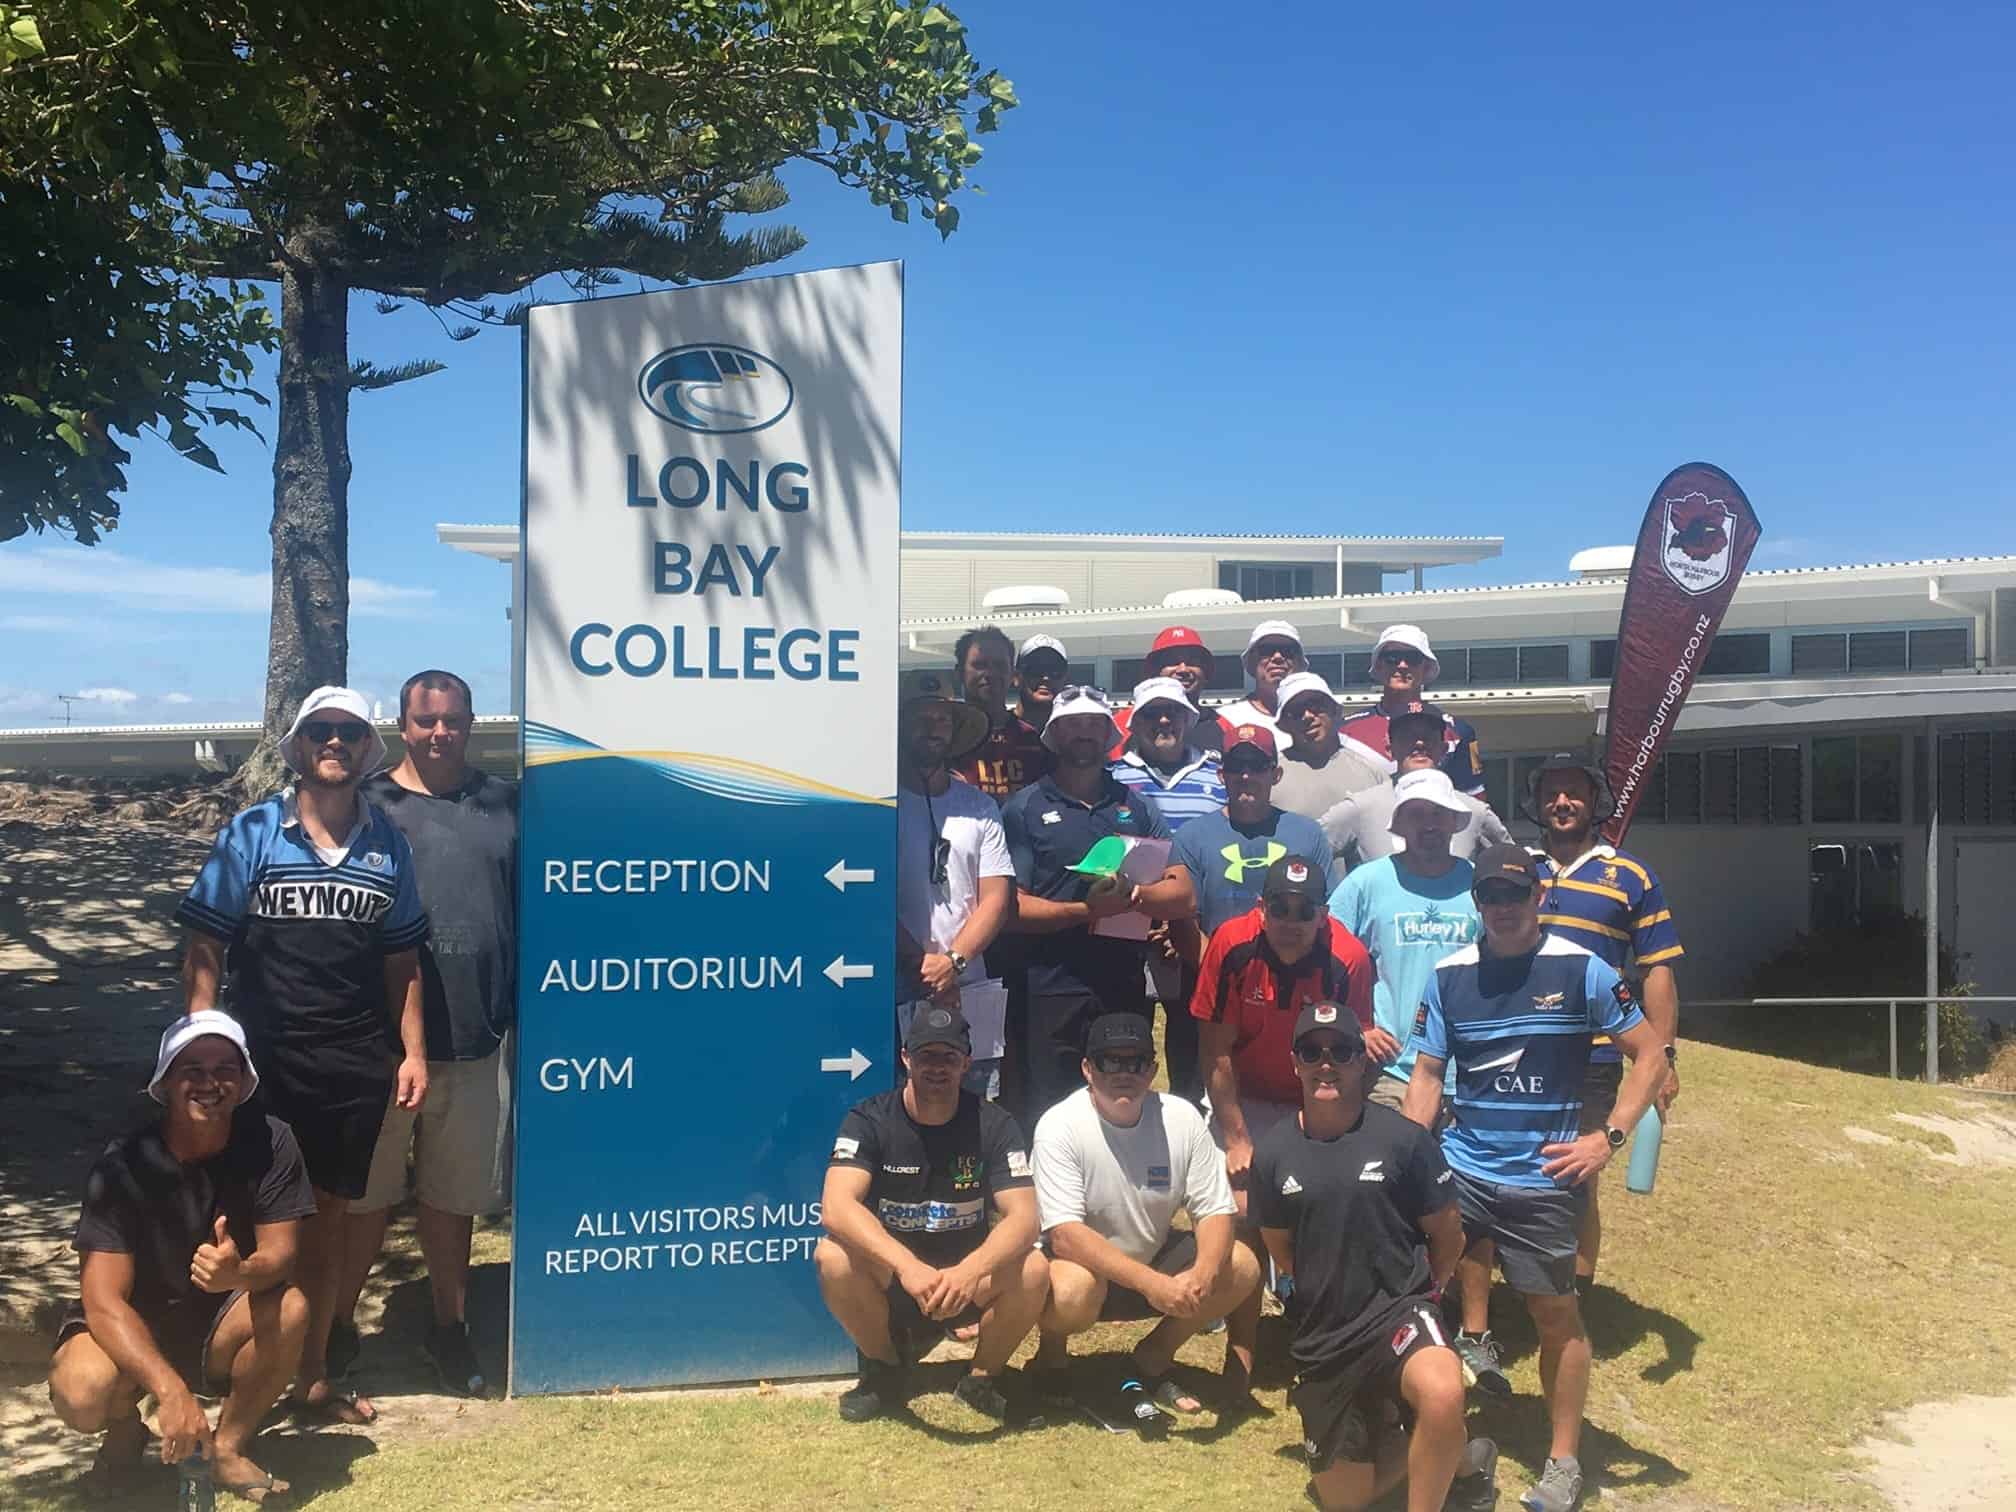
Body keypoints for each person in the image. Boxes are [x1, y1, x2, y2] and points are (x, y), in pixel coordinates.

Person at [176, 685, 428, 1426]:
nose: (335, 742)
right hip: (261, 1063)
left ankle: (311, 1376)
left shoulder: (389, 845)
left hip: (352, 1063)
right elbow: (205, 942)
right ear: (297, 745)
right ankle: (224, 1370)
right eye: (321, 730)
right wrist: (200, 1037)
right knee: (241, 1219)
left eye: (349, 732)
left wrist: (411, 1052)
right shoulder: (253, 833)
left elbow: (402, 960)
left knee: (327, 1223)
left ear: (365, 751)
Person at [1402, 845, 1669, 1512]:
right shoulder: (1448, 975)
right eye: (1490, 896)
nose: (1502, 908)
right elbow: (1429, 1074)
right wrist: (1410, 1159)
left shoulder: (1584, 969)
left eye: (1515, 895)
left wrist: (1607, 1139)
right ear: (1477, 902)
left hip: (1543, 1181)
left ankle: (1563, 1460)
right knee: (1410, 1301)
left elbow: (1651, 1053)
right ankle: (1422, 1425)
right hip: (1460, 1173)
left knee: (1557, 1318)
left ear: (1540, 898)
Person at [335, 670, 517, 1399]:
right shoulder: (367, 805)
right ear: (402, 726)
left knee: (452, 1199)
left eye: (453, 719)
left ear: (471, 722)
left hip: (477, 1039)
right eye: (425, 720)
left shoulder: (505, 803)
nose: (440, 732)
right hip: (380, 1049)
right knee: (365, 1200)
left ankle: (448, 1327)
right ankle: (336, 1331)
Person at [48, 1012, 314, 1504]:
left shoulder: (272, 1141)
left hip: (218, 1318)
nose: (210, 1082)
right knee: (82, 1392)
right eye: (191, 1068)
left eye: (225, 1068)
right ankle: (126, 1432)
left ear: (245, 1079)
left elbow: (283, 1254)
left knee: (291, 1307)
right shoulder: (122, 1164)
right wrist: (170, 1392)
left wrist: (241, 1272)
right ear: (166, 1082)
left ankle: (229, 1449)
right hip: (132, 1324)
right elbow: (103, 1300)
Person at [1252, 1003, 1499, 1512]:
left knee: (1443, 1392)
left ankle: (1440, 1469)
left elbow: (1447, 1234)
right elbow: (1281, 1248)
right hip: (1326, 1335)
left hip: (1398, 1311)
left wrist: (1428, 1290)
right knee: (1348, 1503)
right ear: (1294, 1062)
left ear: (1362, 1061)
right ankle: (1454, 1454)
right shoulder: (1273, 1152)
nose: (1327, 1063)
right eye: (1312, 1052)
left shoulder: (1404, 1139)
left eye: (1341, 1051)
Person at [1030, 1014, 1264, 1434]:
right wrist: (1152, 1285)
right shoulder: (1058, 1125)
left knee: (1242, 1264)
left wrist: (1203, 1275)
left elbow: (1214, 1209)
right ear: (1087, 1068)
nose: (1123, 1073)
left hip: (1153, 1256)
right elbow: (1064, 1235)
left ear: (1153, 1070)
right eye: (1109, 1062)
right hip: (1082, 1268)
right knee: (1070, 1290)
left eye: (1135, 1062)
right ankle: (1050, 1358)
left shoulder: (1182, 1118)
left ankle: (1148, 1362)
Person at [816, 1006, 1050, 1425]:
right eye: (926, 1056)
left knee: (1033, 1267)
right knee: (831, 1257)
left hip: (967, 1280)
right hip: (896, 1277)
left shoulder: (995, 1124)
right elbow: (836, 1207)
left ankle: (982, 1379)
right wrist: (908, 1268)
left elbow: (1025, 1218)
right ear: (906, 1058)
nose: (936, 1067)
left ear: (967, 1062)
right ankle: (884, 1371)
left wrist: (967, 1273)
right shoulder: (868, 1118)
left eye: (948, 1056)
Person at [1000, 686, 1195, 1126]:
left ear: (1109, 734)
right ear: (1054, 734)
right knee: (1048, 1112)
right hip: (1049, 989)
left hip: (1123, 986)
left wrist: (1134, 896)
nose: (1084, 733)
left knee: (1123, 1106)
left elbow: (1183, 893)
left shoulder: (1137, 805)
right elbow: (1010, 909)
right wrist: (1089, 912)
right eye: (1073, 724)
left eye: (1094, 724)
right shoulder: (1024, 808)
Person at [1525, 752, 1683, 1291]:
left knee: (1577, 1177)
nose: (1562, 802)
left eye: (1574, 792)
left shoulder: (1630, 874)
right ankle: (1520, 1287)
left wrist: (1664, 1058)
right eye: (1552, 792)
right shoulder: (1517, 868)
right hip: (1517, 1048)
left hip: (1592, 1053)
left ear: (1595, 802)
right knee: (1514, 1171)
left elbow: (1657, 968)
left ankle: (1576, 1296)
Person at [1192, 856, 1373, 1208]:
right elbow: (1215, 1051)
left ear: (1323, 915)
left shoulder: (1349, 959)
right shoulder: (1230, 944)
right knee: (1238, 1206)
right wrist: (1237, 1139)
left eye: (1305, 911)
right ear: (1261, 909)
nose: (1291, 922)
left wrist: (1327, 1132)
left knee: (1323, 1197)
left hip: (1315, 1098)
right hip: (1243, 1098)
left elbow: (1350, 1063)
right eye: (1279, 908)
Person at [1328, 771, 1482, 1114]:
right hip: (1389, 1071)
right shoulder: (1365, 883)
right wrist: (1356, 1026)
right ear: (1400, 823)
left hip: (1468, 1071)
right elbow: (1326, 960)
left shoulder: (1479, 882)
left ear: (1454, 821)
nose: (1429, 825)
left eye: (1438, 813)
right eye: (1417, 814)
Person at [891, 668, 1014, 1098]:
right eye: (922, 716)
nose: (934, 727)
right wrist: (921, 963)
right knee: (900, 1111)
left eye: (943, 718)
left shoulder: (979, 806)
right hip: (898, 984)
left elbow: (996, 898)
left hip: (968, 987)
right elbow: (868, 895)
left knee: (971, 1115)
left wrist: (954, 963)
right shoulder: (875, 803)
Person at [1109, 676, 1226, 1104]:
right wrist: (1153, 918)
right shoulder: (1111, 777)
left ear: (1189, 718)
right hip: (1128, 933)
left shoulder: (1218, 777)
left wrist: (1181, 924)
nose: (1164, 720)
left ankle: (1192, 1132)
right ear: (1134, 722)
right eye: (1152, 713)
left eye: (1173, 712)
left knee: (1192, 1049)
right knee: (1128, 1042)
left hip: (1197, 933)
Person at [1322, 708, 1511, 872]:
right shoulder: (1360, 808)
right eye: (1407, 737)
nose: (1419, 744)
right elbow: (1308, 848)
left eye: (1428, 737)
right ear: (1389, 748)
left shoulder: (1475, 811)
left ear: (1444, 748)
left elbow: (1513, 865)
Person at [1336, 625, 1486, 796]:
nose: (1402, 665)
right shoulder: (1343, 731)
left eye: (1412, 658)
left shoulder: (1461, 732)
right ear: (1378, 666)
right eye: (1392, 658)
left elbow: (1476, 797)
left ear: (1427, 668)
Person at [1268, 671, 1386, 824]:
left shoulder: (1373, 774)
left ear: (1336, 711)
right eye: (1296, 710)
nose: (1308, 715)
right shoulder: (1267, 776)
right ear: (1283, 724)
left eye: (1316, 705)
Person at [950, 625, 1050, 800]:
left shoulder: (1031, 739)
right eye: (979, 664)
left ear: (1013, 674)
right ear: (959, 673)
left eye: (999, 665)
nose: (989, 673)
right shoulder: (944, 738)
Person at [1109, 625, 1235, 755]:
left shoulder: (1224, 728)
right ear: (1153, 672)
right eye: (1172, 661)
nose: (1183, 669)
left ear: (1206, 672)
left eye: (1192, 661)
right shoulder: (1122, 725)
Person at [1218, 619, 1307, 736]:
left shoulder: (1319, 722)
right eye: (1267, 650)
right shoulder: (1227, 719)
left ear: (1298, 663)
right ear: (1252, 661)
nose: (1278, 657)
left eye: (1287, 650)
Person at [1015, 633, 1070, 733]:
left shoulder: (1073, 736)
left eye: (1055, 670)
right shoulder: (995, 732)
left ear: (1065, 679)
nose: (1046, 678)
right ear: (1016, 677)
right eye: (1035, 669)